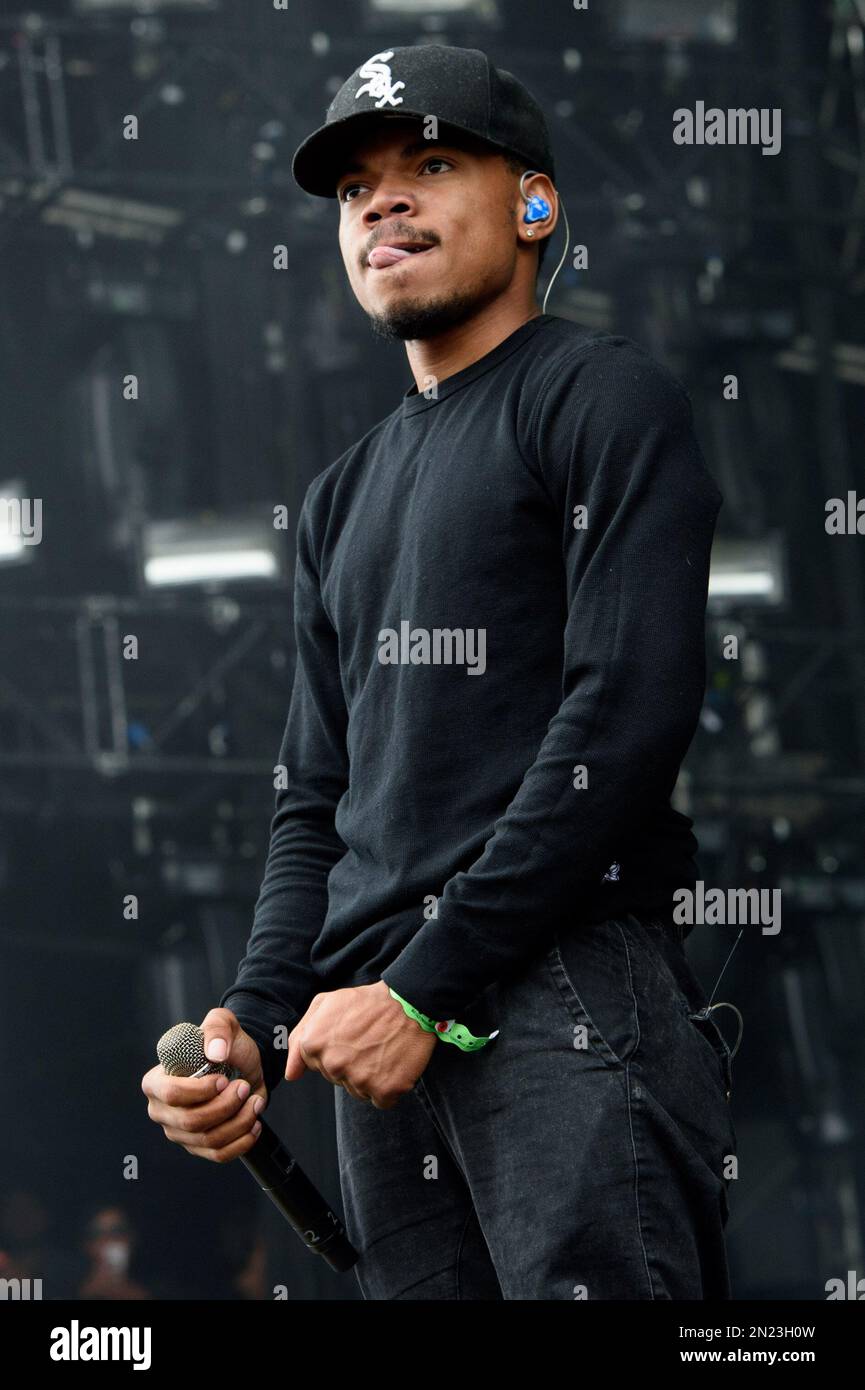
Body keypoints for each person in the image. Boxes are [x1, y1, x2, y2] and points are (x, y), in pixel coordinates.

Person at [142, 44, 736, 1300]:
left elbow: (624, 718)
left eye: (428, 164)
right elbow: (316, 799)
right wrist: (252, 1019)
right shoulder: (339, 496)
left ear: (533, 204)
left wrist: (423, 986)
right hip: (378, 1046)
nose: (381, 203)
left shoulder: (600, 397)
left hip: (559, 990)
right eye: (356, 189)